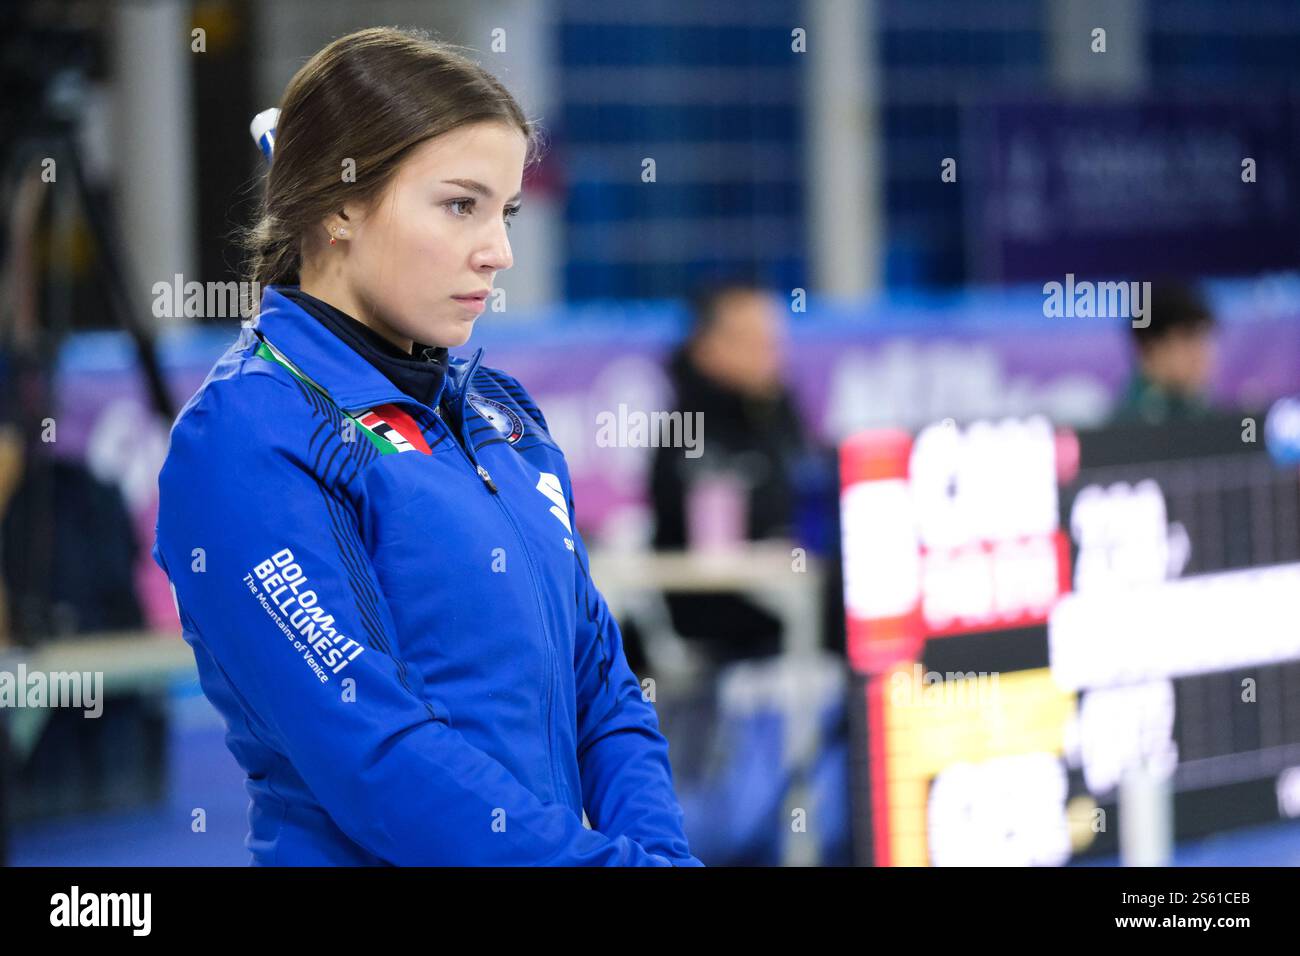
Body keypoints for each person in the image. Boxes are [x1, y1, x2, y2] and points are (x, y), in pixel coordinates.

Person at [152, 27, 700, 867]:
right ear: (338, 204)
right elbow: (379, 760)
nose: (500, 251)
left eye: (505, 210)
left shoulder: (499, 415)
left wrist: (660, 856)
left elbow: (605, 692)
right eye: (459, 205)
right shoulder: (245, 437)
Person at [648, 277, 817, 665]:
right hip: (717, 614)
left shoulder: (779, 413)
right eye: (751, 341)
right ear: (707, 348)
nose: (768, 354)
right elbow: (706, 534)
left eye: (771, 340)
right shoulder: (684, 427)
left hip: (791, 594)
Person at [1110, 281, 1217, 425]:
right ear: (1150, 348)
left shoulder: (1211, 413)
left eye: (1204, 337)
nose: (1199, 353)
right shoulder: (1124, 426)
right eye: (1187, 338)